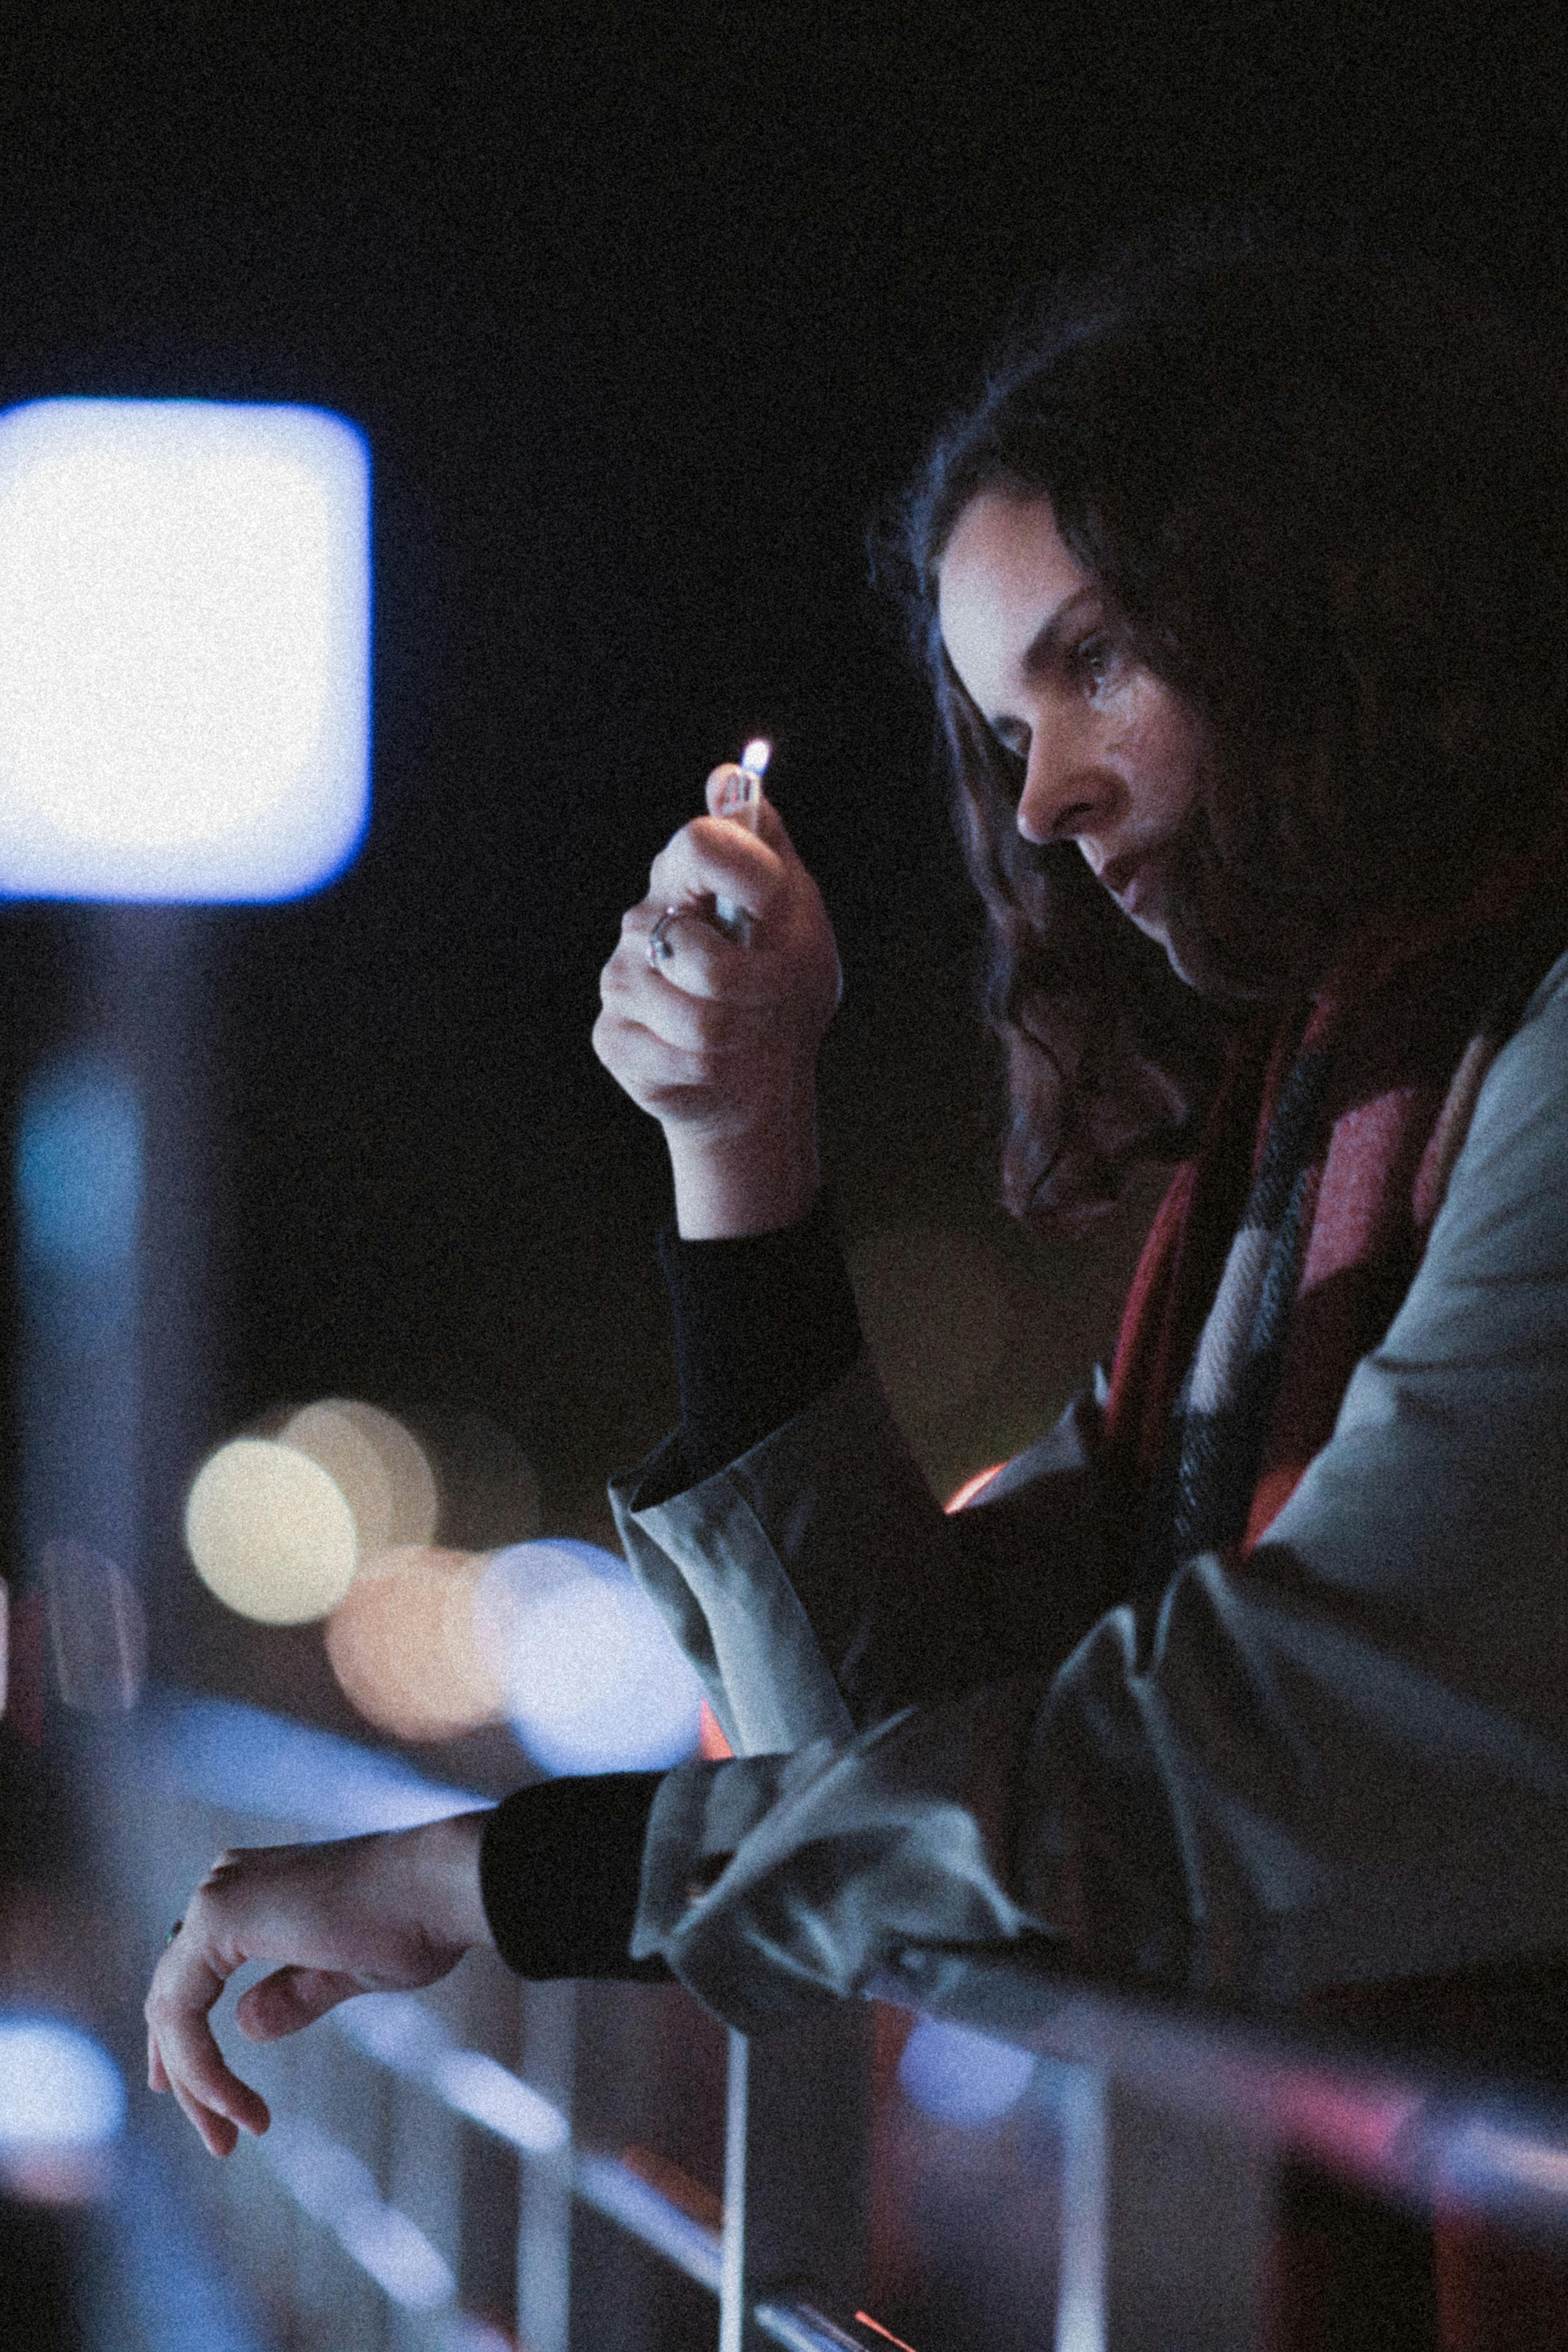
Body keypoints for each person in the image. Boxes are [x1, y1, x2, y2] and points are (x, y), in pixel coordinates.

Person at [146, 223, 1568, 2348]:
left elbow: (1230, 1771)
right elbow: (914, 1748)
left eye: (1101, 659)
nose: (1052, 799)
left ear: (1333, 603)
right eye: (1003, 727)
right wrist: (745, 1149)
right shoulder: (1297, 1155)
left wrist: (494, 1880)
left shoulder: (1506, 1066)